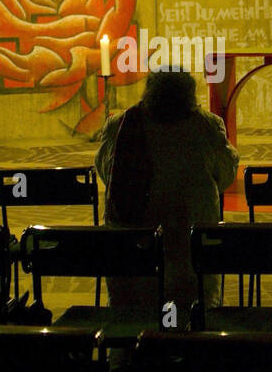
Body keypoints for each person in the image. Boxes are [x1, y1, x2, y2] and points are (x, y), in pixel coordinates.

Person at [95, 68, 238, 320]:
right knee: (192, 313)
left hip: (132, 248)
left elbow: (108, 172)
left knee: (134, 314)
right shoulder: (206, 126)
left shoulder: (122, 125)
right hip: (190, 250)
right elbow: (225, 174)